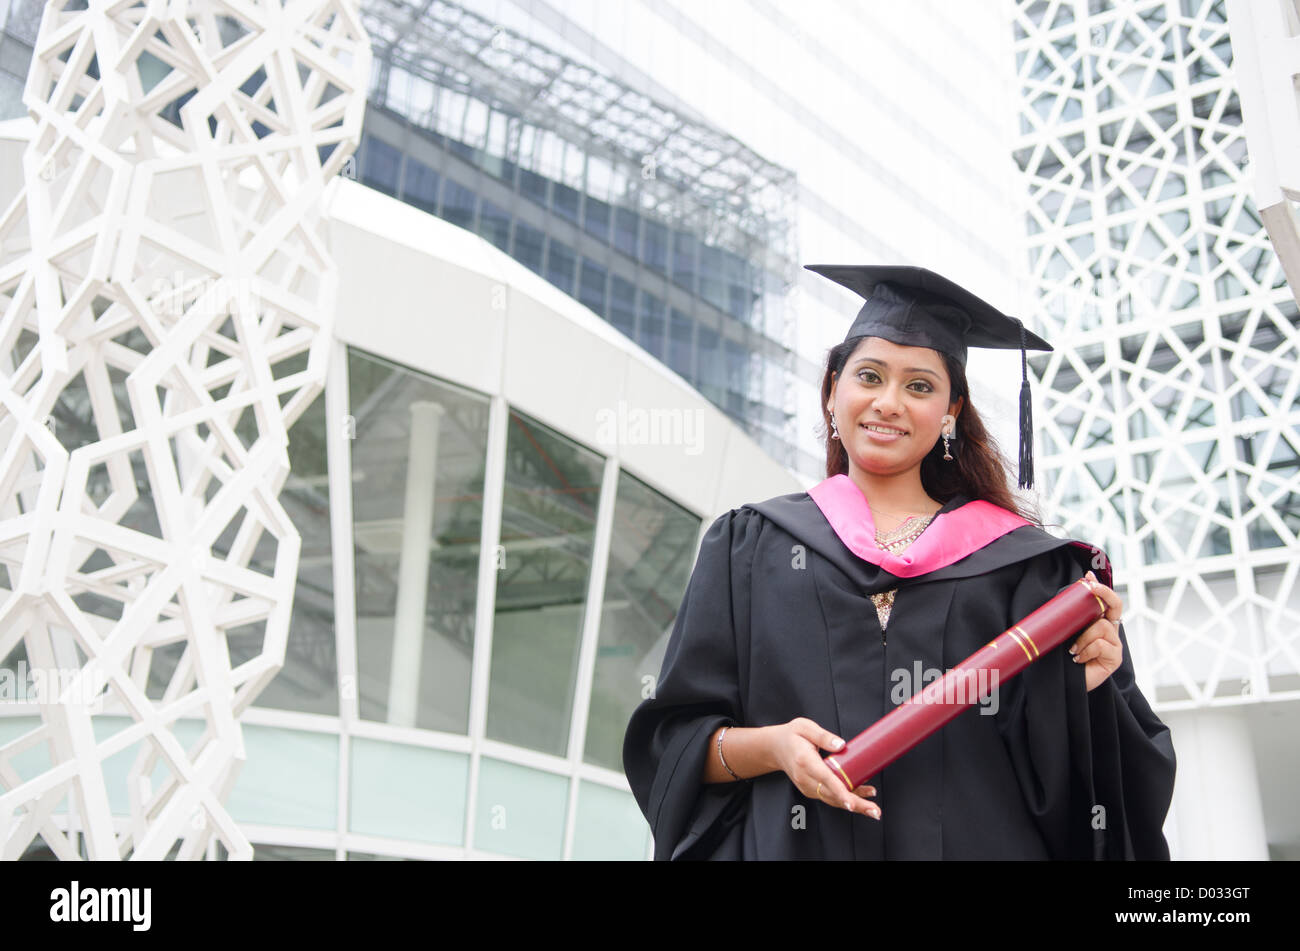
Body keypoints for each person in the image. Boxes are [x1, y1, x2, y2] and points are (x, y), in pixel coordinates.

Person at [622, 265, 1176, 860]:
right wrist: (775, 747)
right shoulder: (748, 545)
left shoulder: (1027, 567)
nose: (888, 402)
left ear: (951, 412)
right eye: (869, 376)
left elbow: (1100, 783)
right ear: (833, 389)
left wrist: (1094, 684)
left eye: (919, 386)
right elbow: (674, 741)